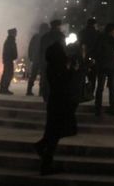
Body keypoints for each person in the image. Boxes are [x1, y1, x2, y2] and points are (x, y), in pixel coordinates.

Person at [33, 34, 75, 176]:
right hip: (60, 101)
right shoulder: (58, 68)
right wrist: (72, 70)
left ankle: (42, 149)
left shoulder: (51, 66)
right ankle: (46, 163)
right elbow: (65, 81)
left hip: (54, 101)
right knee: (54, 133)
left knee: (52, 131)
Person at [93, 23, 114, 116]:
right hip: (105, 65)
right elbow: (97, 50)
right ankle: (101, 108)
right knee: (103, 87)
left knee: (109, 87)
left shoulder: (111, 38)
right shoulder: (102, 38)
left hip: (108, 65)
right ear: (111, 30)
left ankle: (108, 107)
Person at [39, 20, 65, 101]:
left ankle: (45, 95)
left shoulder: (45, 36)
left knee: (46, 78)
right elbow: (63, 49)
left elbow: (41, 50)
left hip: (46, 61)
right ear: (57, 26)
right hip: (57, 61)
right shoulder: (60, 36)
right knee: (56, 79)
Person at [26, 23, 48, 96]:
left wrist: (30, 57)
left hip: (35, 58)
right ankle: (41, 91)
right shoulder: (46, 37)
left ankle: (29, 90)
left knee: (33, 75)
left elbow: (30, 47)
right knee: (43, 76)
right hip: (43, 59)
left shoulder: (35, 36)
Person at [80, 18, 100, 98]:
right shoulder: (97, 33)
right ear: (94, 24)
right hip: (94, 57)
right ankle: (91, 92)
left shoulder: (82, 32)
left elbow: (80, 44)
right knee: (93, 76)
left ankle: (82, 92)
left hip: (83, 56)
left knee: (82, 75)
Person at [0, 28, 18, 95]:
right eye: (15, 32)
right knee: (8, 74)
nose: (16, 34)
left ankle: (2, 89)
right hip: (9, 60)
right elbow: (11, 50)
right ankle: (4, 89)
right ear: (12, 33)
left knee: (6, 74)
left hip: (8, 59)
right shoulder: (10, 41)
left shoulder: (9, 40)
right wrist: (14, 56)